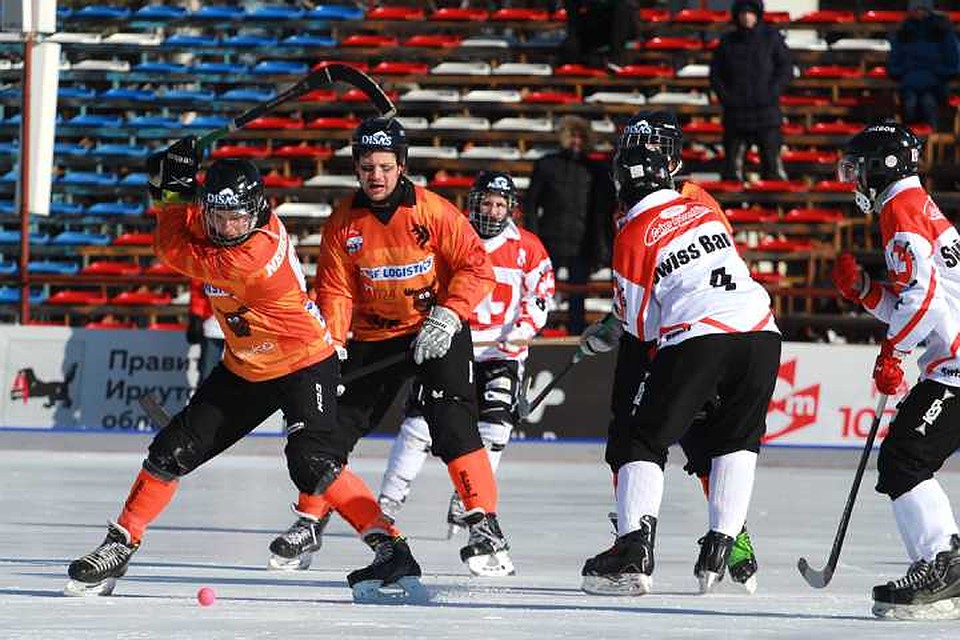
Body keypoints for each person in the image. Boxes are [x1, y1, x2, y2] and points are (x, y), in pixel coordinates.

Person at [66, 147, 424, 603]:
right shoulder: (220, 228)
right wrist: (165, 183)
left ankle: (390, 548)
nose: (228, 227)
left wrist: (172, 194)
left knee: (311, 461)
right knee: (171, 451)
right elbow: (182, 222)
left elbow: (170, 245)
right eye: (218, 217)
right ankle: (121, 541)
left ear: (256, 211)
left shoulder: (252, 256)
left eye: (237, 217)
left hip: (303, 360)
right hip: (246, 365)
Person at [267, 117, 514, 577]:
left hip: (435, 330)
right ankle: (310, 519)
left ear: (401, 165)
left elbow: (478, 268)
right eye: (366, 167)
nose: (375, 176)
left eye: (384, 166)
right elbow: (336, 290)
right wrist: (333, 344)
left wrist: (450, 312)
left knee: (452, 424)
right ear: (356, 169)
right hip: (375, 336)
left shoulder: (434, 211)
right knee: (330, 430)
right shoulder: (343, 222)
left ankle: (484, 524)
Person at [576, 137, 781, 596]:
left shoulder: (632, 229)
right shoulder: (703, 209)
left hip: (700, 334)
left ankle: (632, 549)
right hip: (762, 331)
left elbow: (639, 326)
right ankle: (723, 540)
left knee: (641, 435)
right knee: (738, 438)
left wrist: (610, 333)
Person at [376, 171, 555, 537]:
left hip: (502, 353)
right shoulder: (454, 234)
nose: (491, 210)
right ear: (473, 203)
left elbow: (540, 295)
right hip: (452, 346)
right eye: (486, 202)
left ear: (511, 209)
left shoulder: (528, 247)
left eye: (499, 204)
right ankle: (388, 502)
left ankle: (468, 499)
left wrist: (521, 332)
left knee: (495, 428)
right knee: (418, 427)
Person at [830, 121, 960, 620]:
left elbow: (922, 302)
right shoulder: (914, 204)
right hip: (949, 359)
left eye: (858, 168)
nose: (855, 179)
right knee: (905, 458)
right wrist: (866, 291)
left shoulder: (901, 210)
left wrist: (893, 353)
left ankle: (942, 565)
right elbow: (924, 301)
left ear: (881, 166)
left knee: (905, 458)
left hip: (954, 365)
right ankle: (941, 563)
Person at [523, 115, 615, 335]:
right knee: (539, 293)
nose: (576, 141)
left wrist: (602, 247)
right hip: (549, 241)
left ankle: (575, 338)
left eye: (581, 137)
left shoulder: (598, 170)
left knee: (577, 298)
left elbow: (604, 211)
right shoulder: (546, 165)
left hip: (582, 245)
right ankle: (535, 335)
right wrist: (534, 239)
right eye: (572, 136)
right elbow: (530, 204)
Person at [709, 0, 792, 182]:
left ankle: (771, 208)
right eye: (743, 13)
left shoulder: (772, 38)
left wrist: (771, 93)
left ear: (758, 15)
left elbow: (785, 68)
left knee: (772, 167)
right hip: (736, 114)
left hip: (766, 113)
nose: (747, 17)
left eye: (751, 13)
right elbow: (716, 74)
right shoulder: (727, 41)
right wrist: (727, 98)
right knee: (732, 169)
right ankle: (732, 209)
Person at [887, 0, 960, 130]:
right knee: (910, 103)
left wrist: (934, 71)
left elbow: (953, 64)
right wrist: (907, 71)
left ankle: (928, 143)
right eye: (916, 9)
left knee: (928, 103)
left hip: (935, 86)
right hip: (909, 85)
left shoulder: (943, 31)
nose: (919, 12)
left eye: (922, 9)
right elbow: (893, 65)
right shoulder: (903, 32)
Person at [560, 0, 641, 68]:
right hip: (593, 40)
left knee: (623, 6)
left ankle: (615, 60)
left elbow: (629, 28)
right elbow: (574, 24)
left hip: (620, 42)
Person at [186, 278, 224, 382]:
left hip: (240, 332)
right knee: (208, 376)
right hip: (213, 328)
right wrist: (196, 316)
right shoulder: (207, 264)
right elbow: (198, 291)